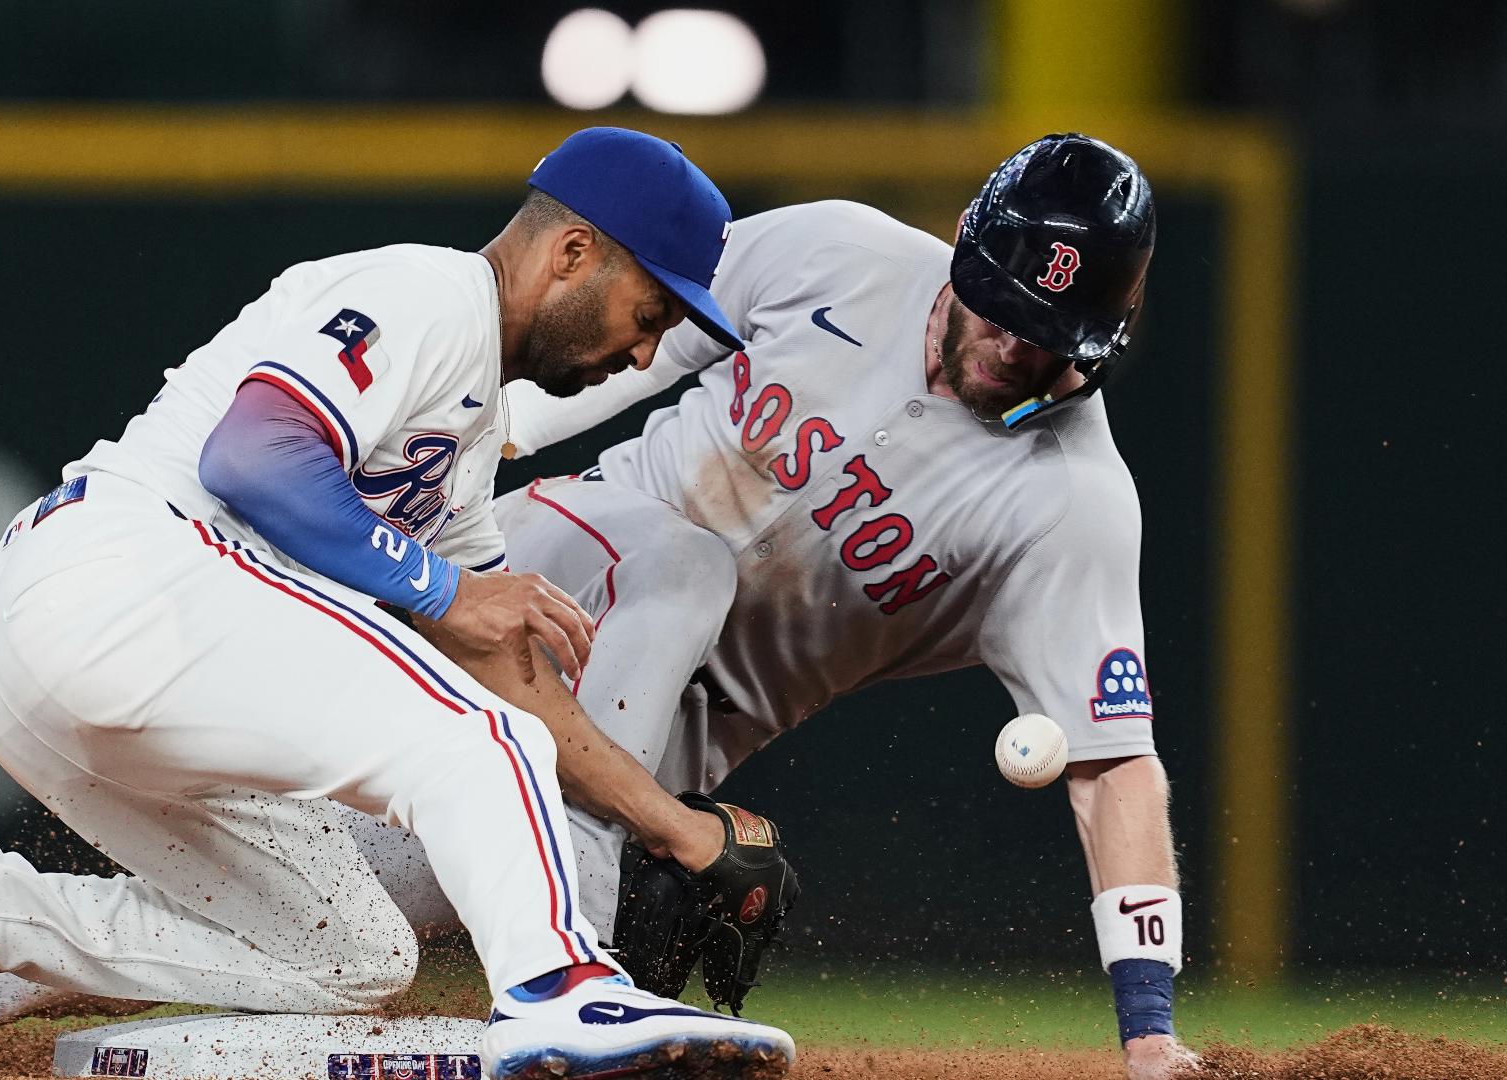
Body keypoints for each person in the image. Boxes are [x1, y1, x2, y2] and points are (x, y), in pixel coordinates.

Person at [0, 126, 794, 1080]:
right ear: (573, 253)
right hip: (123, 576)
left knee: (346, 956)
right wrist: (439, 587)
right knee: (475, 741)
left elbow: (499, 665)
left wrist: (673, 827)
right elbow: (254, 455)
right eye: (649, 313)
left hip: (87, 654)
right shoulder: (432, 295)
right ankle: (565, 990)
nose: (647, 353)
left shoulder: (468, 434)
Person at [455, 132, 1197, 1080]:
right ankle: (583, 968)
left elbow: (1113, 767)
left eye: (1048, 337)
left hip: (660, 736)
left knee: (369, 925)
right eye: (1002, 308)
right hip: (554, 566)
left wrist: (1149, 1032)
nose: (1014, 344)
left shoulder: (1070, 504)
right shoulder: (837, 250)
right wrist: (485, 439)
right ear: (966, 237)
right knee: (685, 566)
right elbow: (633, 341)